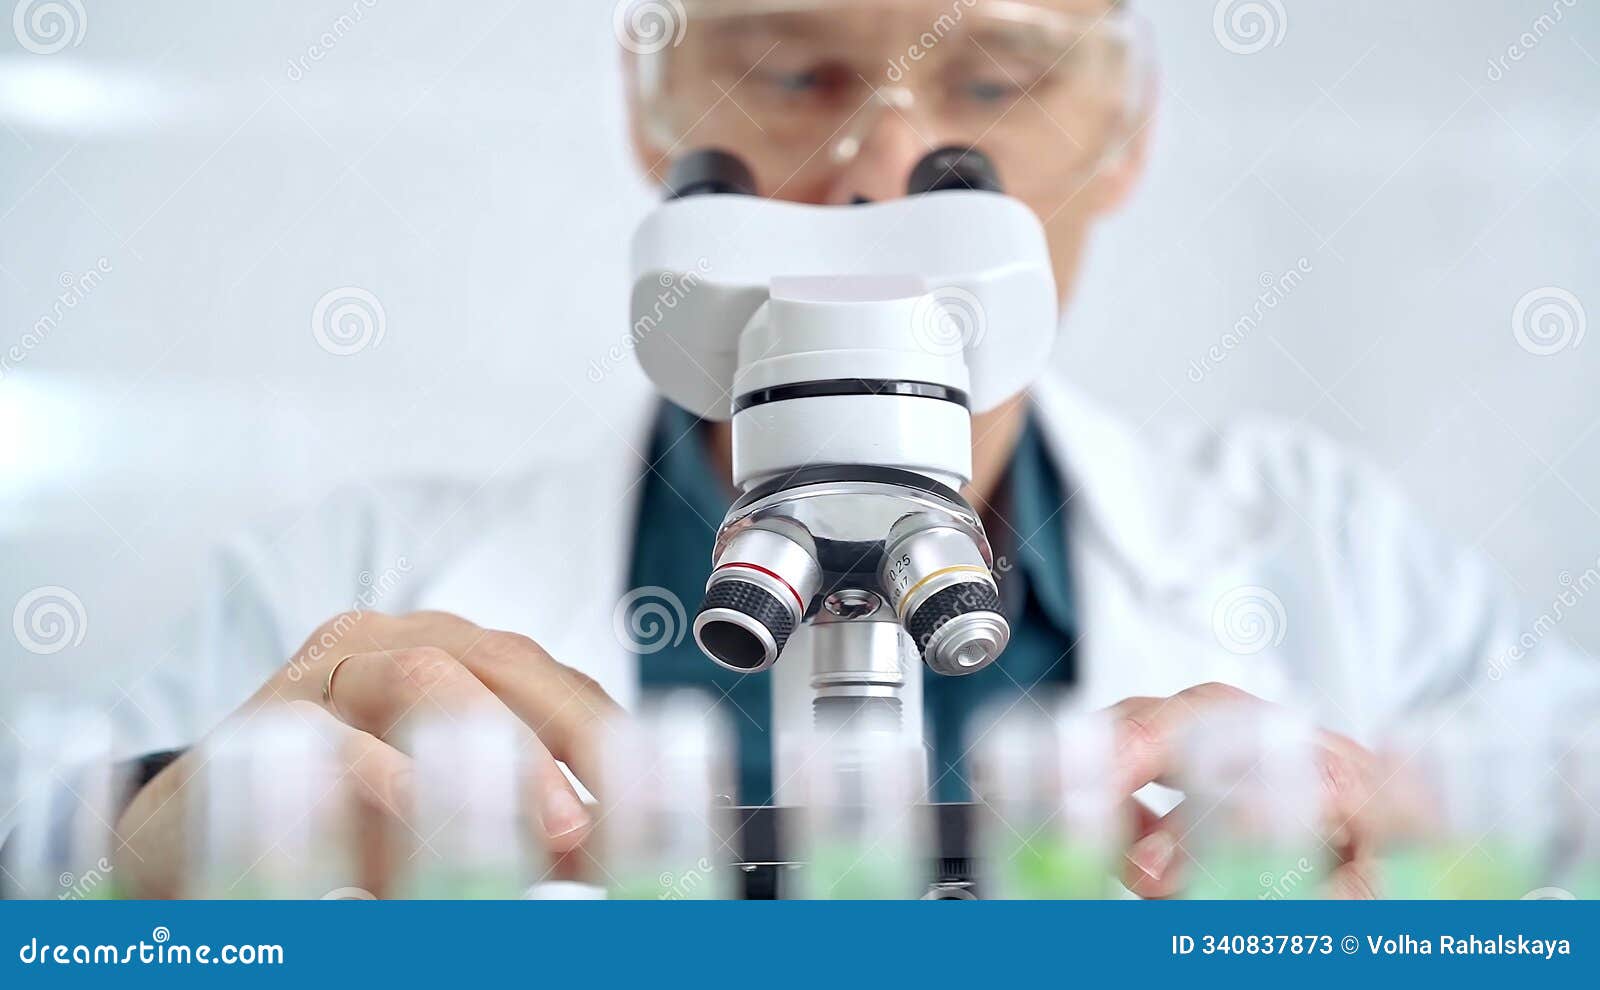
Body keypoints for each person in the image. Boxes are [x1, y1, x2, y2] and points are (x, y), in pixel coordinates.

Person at [21, 0, 1598, 899]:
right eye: (792, 71)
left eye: (991, 84)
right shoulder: (347, 580)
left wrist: (1465, 873)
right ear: (658, 109)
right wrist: (140, 887)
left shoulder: (1330, 556)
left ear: (1126, 135)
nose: (877, 179)